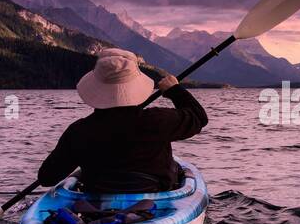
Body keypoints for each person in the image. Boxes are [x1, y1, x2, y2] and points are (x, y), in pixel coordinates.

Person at [36, 48, 207, 193]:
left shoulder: (79, 131)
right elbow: (199, 117)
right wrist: (175, 90)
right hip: (155, 200)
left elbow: (47, 177)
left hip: (95, 208)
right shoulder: (157, 120)